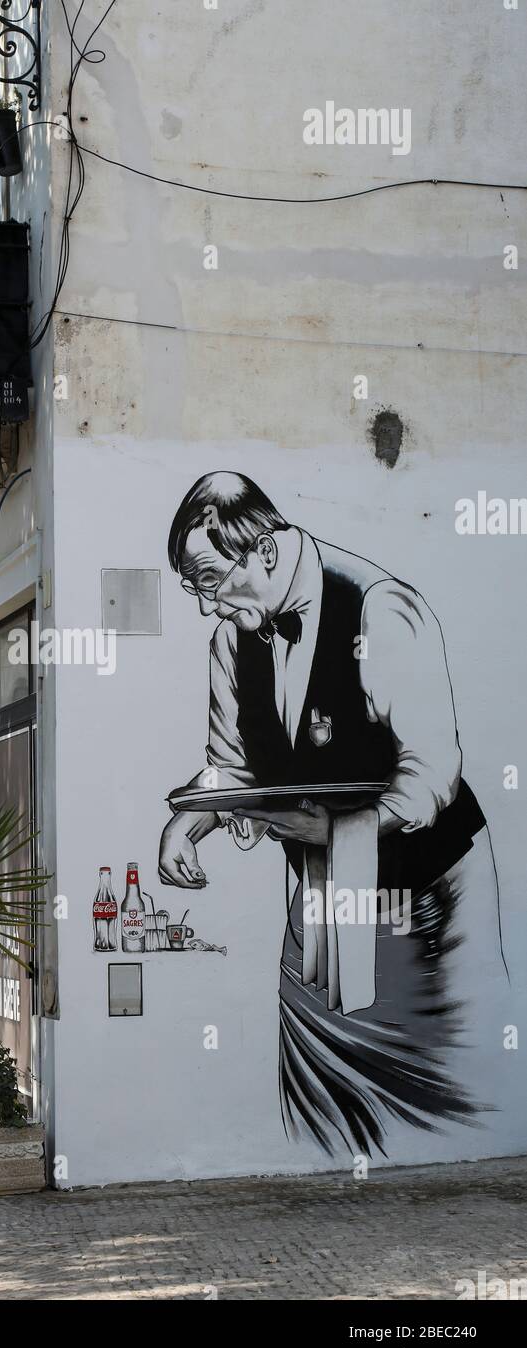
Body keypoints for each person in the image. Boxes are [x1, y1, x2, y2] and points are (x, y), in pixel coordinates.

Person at [159, 471, 508, 1157]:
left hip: (433, 889)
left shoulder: (382, 609)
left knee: (447, 1079)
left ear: (263, 550)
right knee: (322, 1090)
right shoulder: (232, 641)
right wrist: (189, 821)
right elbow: (229, 763)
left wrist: (346, 828)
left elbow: (430, 770)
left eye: (207, 579)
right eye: (193, 587)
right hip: (321, 896)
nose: (206, 607)